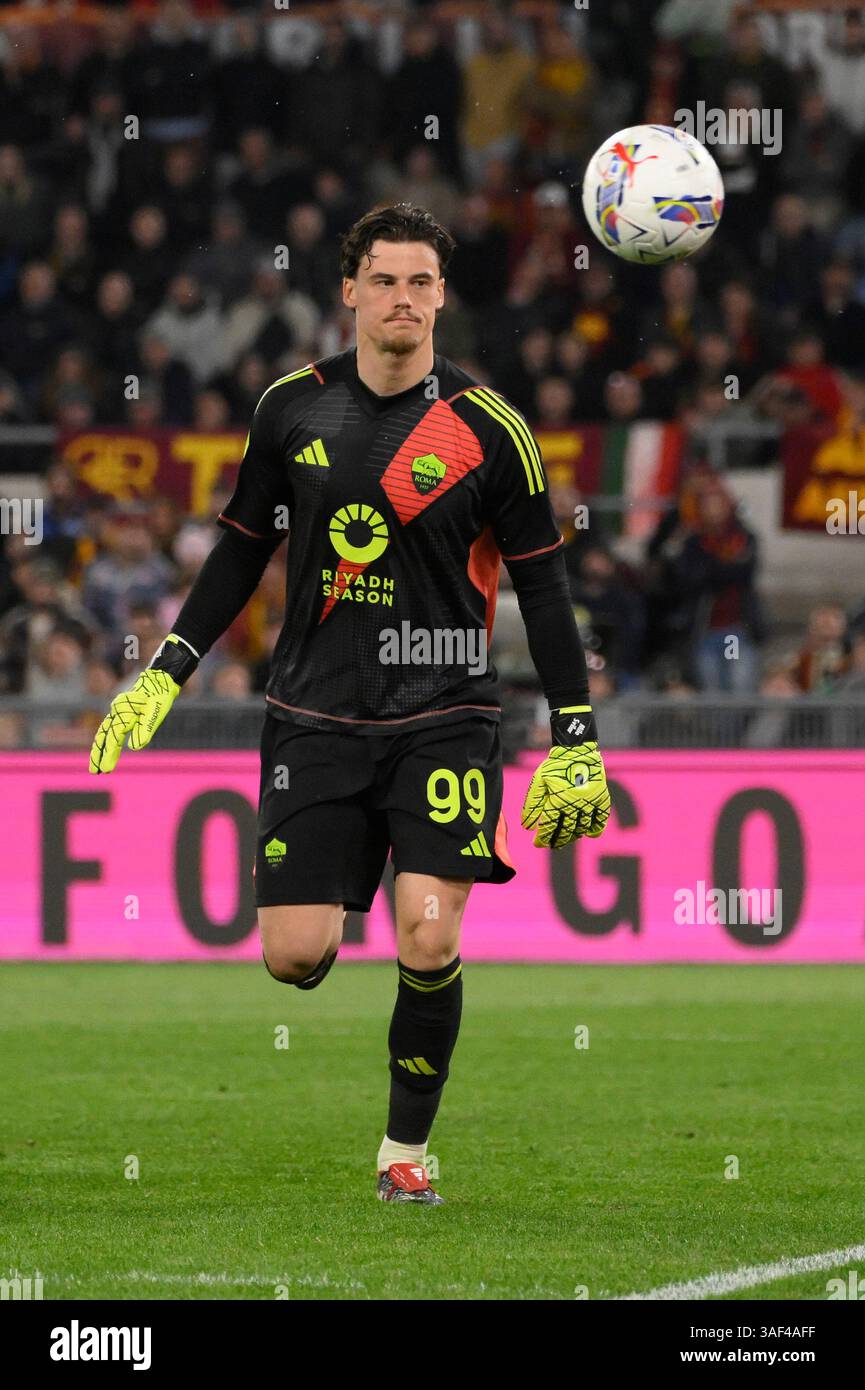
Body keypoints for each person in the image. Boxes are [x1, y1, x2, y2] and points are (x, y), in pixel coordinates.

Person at [88, 204, 610, 1205]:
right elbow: (242, 545)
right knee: (294, 955)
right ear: (348, 291)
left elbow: (542, 586)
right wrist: (165, 670)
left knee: (429, 933)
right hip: (313, 715)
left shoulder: (490, 431)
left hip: (445, 712)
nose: (401, 300)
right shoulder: (292, 407)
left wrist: (576, 733)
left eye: (420, 282)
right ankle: (346, 883)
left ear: (442, 296)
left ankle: (403, 1153)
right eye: (383, 281)